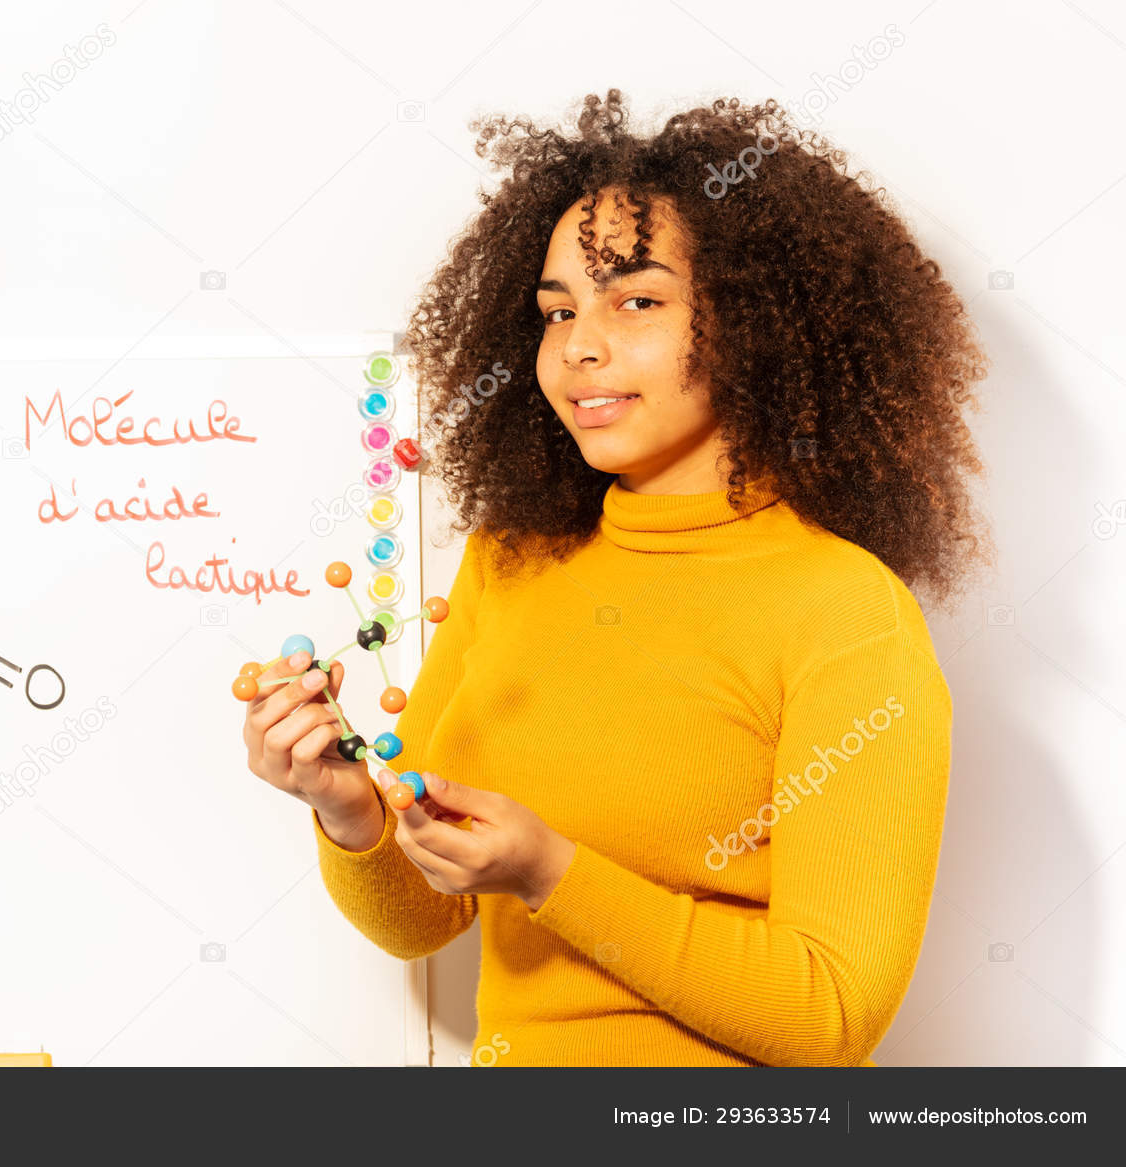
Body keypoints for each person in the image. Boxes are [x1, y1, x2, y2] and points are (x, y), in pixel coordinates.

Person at [241, 90, 993, 1067]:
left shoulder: (845, 615)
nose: (578, 346)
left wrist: (554, 873)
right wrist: (347, 810)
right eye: (557, 311)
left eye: (636, 300)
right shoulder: (507, 567)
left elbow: (828, 1020)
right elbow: (426, 921)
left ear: (761, 319)